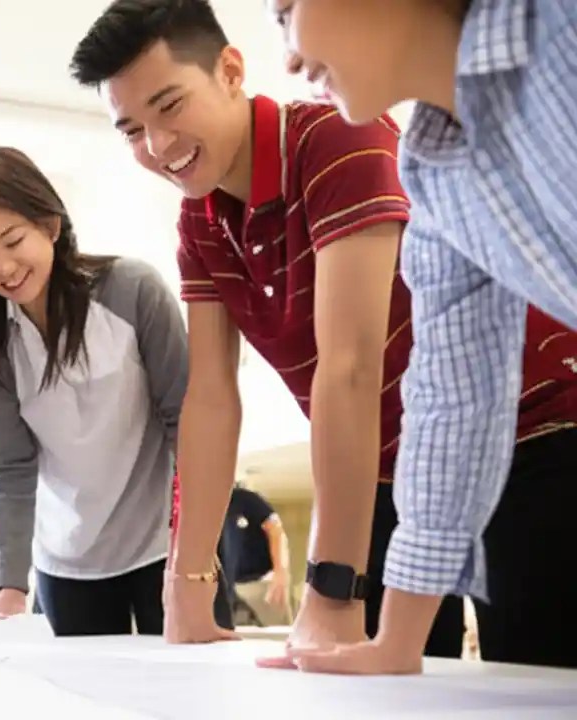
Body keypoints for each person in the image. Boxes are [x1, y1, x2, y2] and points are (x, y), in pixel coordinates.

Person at [69, 0, 577, 668]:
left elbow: (349, 368)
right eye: (132, 128)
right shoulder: (427, 161)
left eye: (169, 105)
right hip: (404, 469)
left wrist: (333, 587)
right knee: (413, 683)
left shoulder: (346, 136)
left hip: (540, 439)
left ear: (227, 72)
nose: (158, 146)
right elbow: (215, 401)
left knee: (536, 660)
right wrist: (188, 579)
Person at [263, 0, 577, 673]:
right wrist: (395, 645)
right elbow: (451, 405)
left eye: (286, 11)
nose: (289, 56)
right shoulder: (434, 179)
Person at [0, 146, 204, 636]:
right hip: (68, 566)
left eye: (13, 240)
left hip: (165, 548)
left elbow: (186, 422)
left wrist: (194, 551)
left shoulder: (132, 291)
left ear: (51, 224)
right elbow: (11, 468)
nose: (2, 268)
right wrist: (11, 586)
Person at [221, 486, 291, 627]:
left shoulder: (241, 498)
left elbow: (275, 527)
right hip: (227, 585)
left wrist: (280, 571)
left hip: (262, 583)